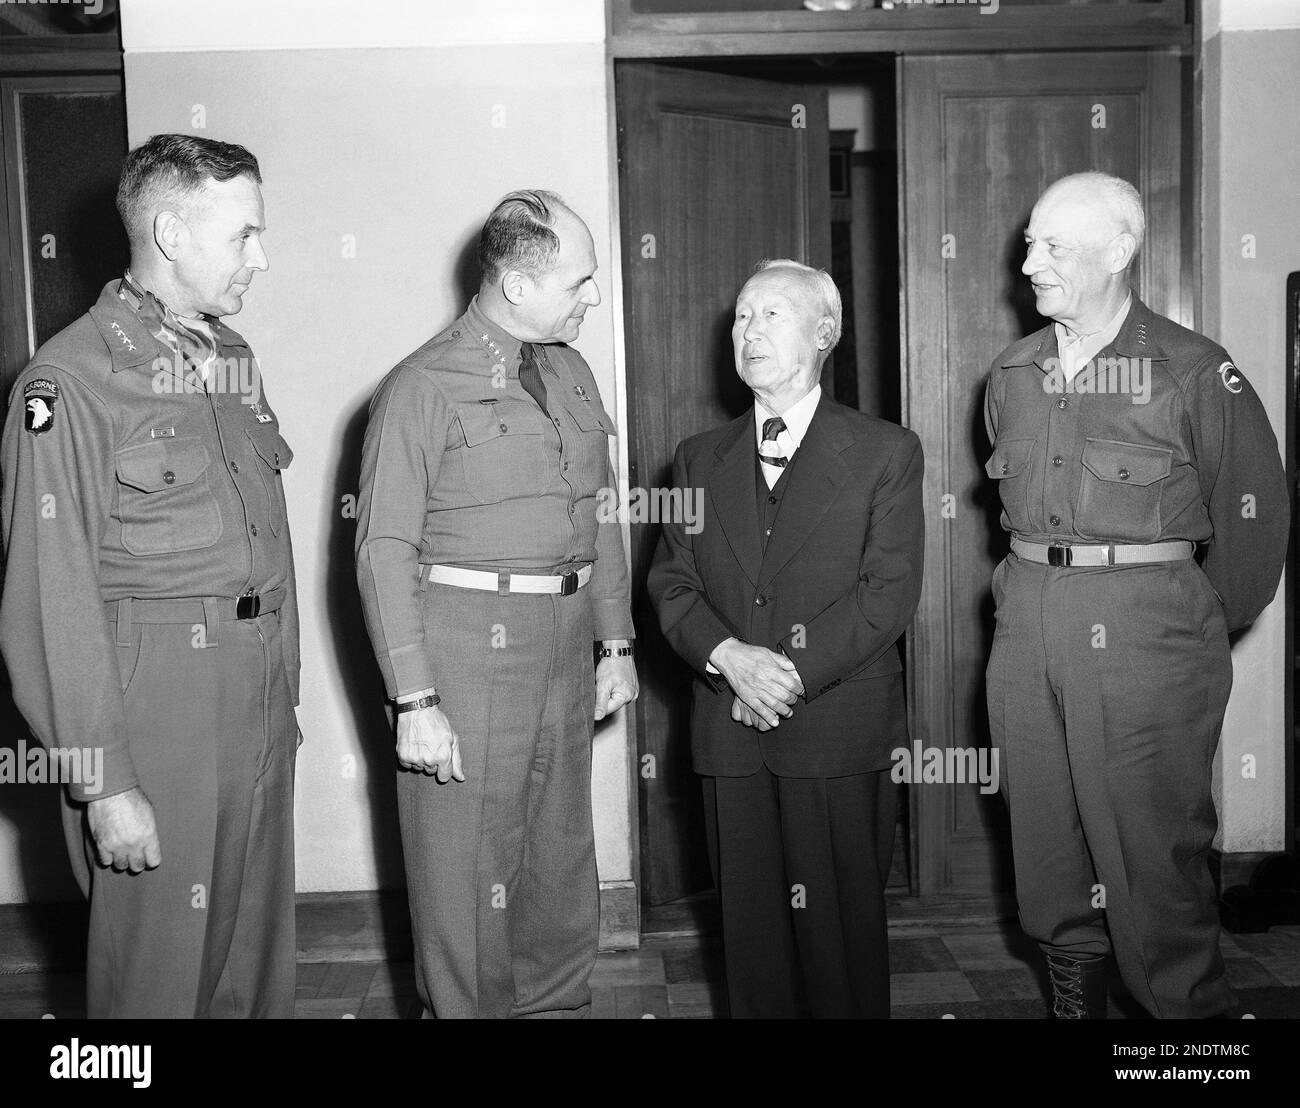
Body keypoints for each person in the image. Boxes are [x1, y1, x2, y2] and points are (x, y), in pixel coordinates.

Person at [0, 133, 300, 1018]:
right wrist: (104, 783)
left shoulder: (229, 357)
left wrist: (278, 704)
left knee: (254, 968)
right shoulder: (70, 380)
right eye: (244, 235)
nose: (262, 256)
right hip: (152, 707)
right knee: (157, 983)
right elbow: (49, 603)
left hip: (254, 691)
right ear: (170, 231)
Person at [984, 172, 1289, 1019]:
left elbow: (1252, 524)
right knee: (1045, 852)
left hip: (1148, 636)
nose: (1028, 263)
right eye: (1029, 244)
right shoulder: (1013, 372)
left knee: (1154, 861)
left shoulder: (1194, 370)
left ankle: (1185, 1040)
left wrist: (1182, 634)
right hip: (1027, 626)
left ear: (1120, 252)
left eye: (1053, 246)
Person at [355, 189, 638, 1019]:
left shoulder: (570, 369)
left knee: (559, 857)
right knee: (466, 870)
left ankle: (555, 1004)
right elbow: (381, 551)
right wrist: (415, 698)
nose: (591, 297)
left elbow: (601, 510)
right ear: (516, 284)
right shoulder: (419, 387)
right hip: (466, 645)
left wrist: (616, 645)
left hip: (566, 635)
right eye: (579, 282)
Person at [647, 259, 924, 1018]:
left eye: (772, 314)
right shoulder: (698, 458)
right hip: (729, 737)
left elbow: (887, 594)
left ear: (824, 333)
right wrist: (729, 659)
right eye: (741, 316)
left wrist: (784, 674)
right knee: (751, 942)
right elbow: (671, 583)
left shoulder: (885, 452)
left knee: (839, 943)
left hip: (834, 734)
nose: (749, 330)